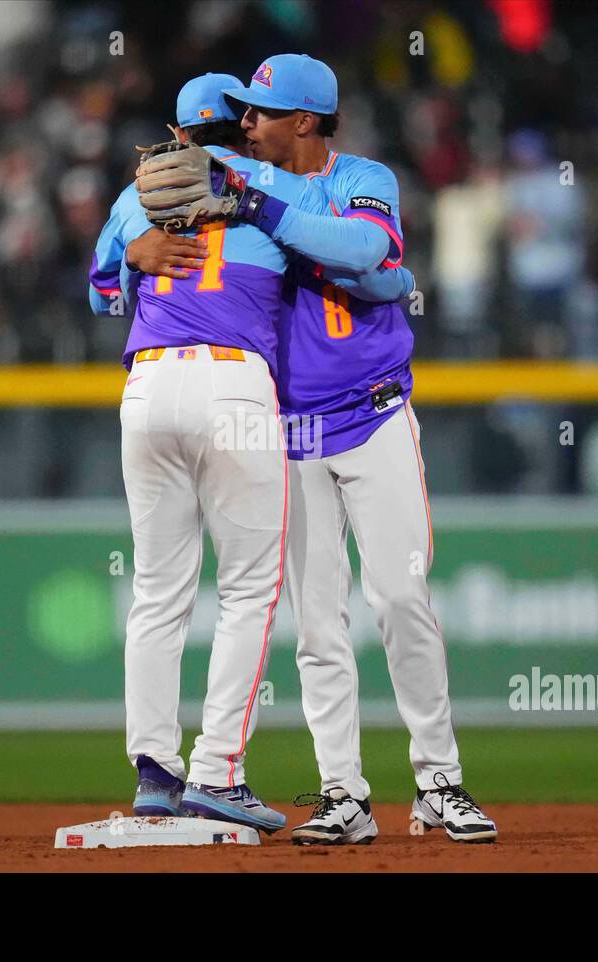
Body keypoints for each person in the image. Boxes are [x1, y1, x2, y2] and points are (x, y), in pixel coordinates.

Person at [137, 54, 497, 844]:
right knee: (320, 627)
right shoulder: (234, 189)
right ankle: (345, 794)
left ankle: (440, 782)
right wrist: (135, 252)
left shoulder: (359, 176)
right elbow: (137, 255)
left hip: (373, 418)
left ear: (305, 120)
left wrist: (266, 213)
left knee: (402, 602)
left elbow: (368, 256)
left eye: (261, 113)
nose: (246, 125)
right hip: (290, 433)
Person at [88, 73, 412, 834]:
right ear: (243, 124)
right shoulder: (265, 182)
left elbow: (101, 290)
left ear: (175, 134)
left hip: (147, 388)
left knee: (157, 591)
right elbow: (364, 254)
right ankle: (216, 774)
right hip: (233, 390)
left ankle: (153, 774)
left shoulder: (138, 195)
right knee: (247, 591)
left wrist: (133, 256)